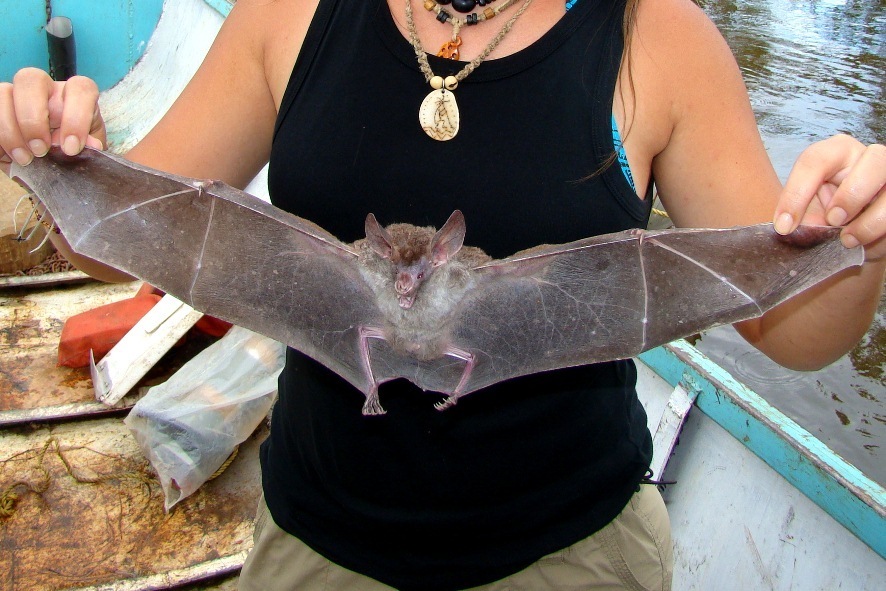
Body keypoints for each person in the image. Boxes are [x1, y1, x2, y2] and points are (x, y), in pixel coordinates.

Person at [1, 0, 883, 588]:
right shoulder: (291, 13)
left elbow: (792, 330)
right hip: (317, 542)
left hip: (568, 555)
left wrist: (859, 239)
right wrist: (58, 161)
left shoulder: (659, 40)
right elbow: (129, 240)